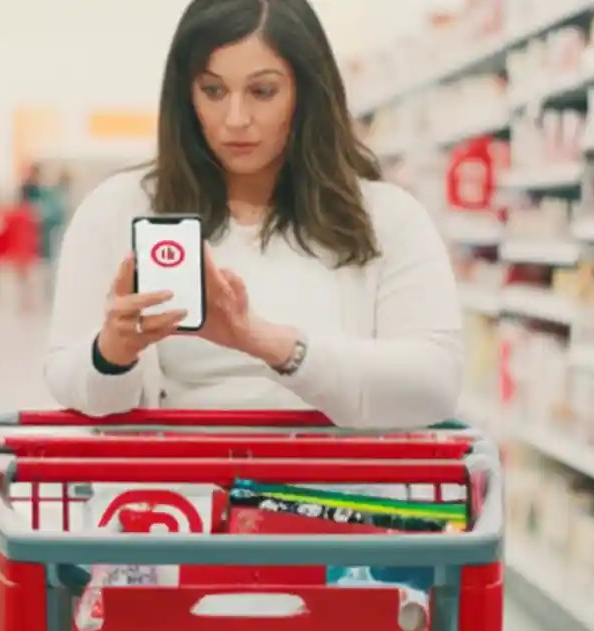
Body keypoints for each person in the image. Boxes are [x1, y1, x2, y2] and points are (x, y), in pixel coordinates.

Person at [43, 0, 462, 431]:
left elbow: (433, 384)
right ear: (186, 94)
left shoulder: (386, 217)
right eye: (213, 91)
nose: (236, 119)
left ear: (307, 92)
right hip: (176, 495)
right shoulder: (119, 208)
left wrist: (266, 342)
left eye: (262, 92)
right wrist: (111, 353)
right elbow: (70, 382)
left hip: (337, 492)